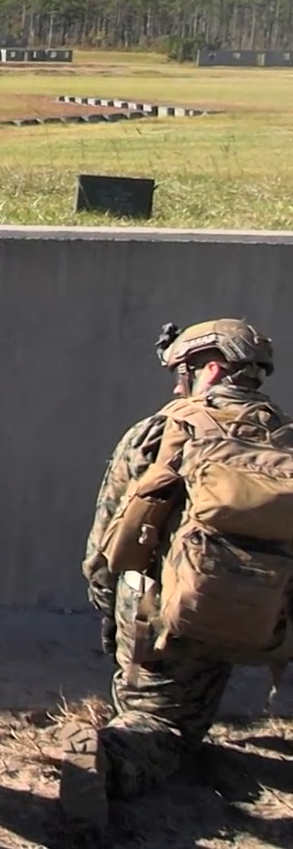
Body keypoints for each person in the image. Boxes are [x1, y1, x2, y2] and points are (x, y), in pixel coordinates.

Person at [65, 318, 293, 830]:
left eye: (182, 371)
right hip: (258, 620)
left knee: (160, 726)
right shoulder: (285, 437)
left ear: (210, 369)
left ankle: (109, 759)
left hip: (164, 615)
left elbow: (105, 545)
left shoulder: (160, 431)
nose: (176, 385)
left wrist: (112, 611)